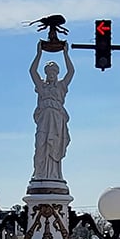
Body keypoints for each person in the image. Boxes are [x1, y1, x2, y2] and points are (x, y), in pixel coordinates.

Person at [29, 41, 74, 181]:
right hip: (44, 121)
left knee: (54, 147)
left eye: (54, 73)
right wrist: (39, 54)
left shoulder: (61, 87)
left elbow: (71, 72)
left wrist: (66, 54)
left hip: (56, 122)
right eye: (49, 73)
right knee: (40, 146)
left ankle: (54, 175)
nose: (52, 75)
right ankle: (39, 174)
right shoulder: (42, 86)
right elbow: (32, 72)